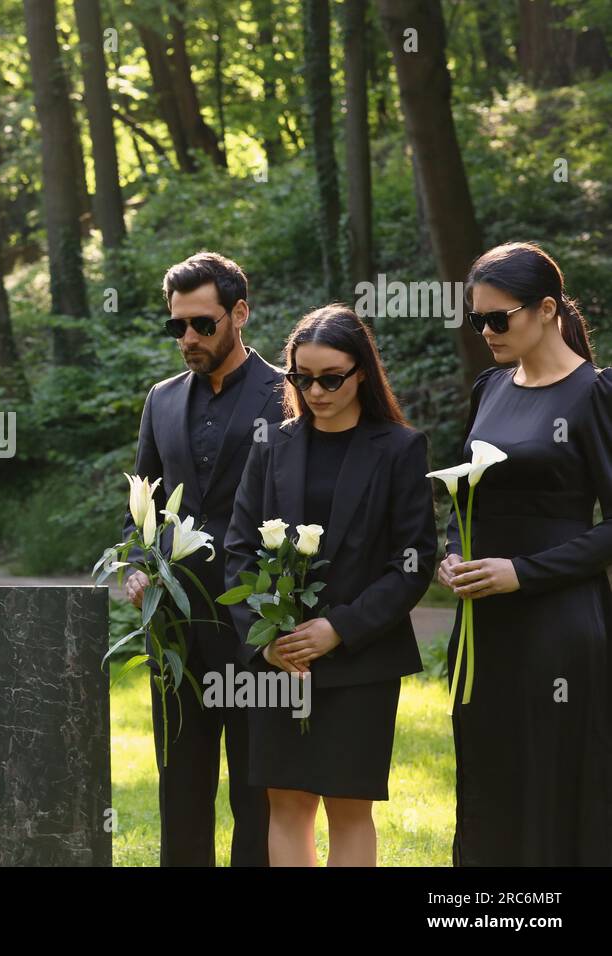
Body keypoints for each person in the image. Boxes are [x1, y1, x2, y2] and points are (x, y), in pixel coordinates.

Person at [224, 304, 436, 866]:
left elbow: (413, 560)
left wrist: (339, 628)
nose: (315, 391)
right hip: (280, 657)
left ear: (361, 371)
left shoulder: (399, 448)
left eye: (330, 378)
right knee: (286, 802)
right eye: (301, 378)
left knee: (349, 806)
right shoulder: (271, 443)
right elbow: (239, 549)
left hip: (362, 658)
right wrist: (267, 637)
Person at [438, 241, 612, 865]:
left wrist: (524, 573)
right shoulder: (490, 387)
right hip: (485, 627)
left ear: (545, 310)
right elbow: (469, 497)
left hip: (559, 624)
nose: (485, 332)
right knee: (487, 778)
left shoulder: (594, 393)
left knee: (552, 779)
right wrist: (452, 557)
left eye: (497, 318)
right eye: (476, 319)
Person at [123, 251, 282, 866]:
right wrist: (138, 564)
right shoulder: (160, 400)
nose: (188, 338)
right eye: (177, 326)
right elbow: (143, 502)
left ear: (239, 314)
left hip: (256, 625)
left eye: (203, 324)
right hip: (177, 629)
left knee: (256, 790)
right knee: (180, 786)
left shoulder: (287, 393)